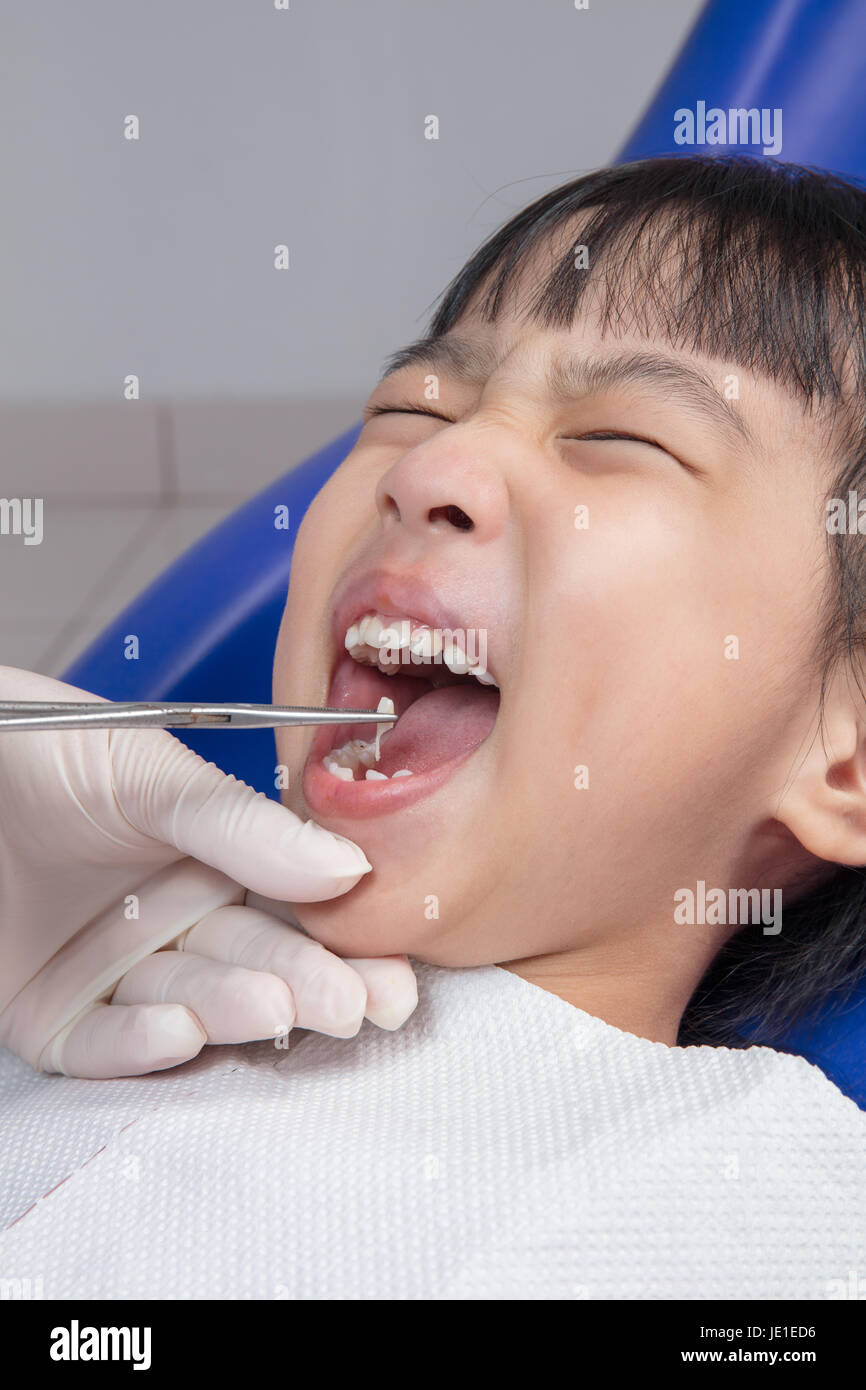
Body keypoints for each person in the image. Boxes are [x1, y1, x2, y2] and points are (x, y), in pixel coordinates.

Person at [2, 154, 866, 1300]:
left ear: (844, 752)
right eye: (411, 406)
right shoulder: (68, 978)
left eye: (618, 435)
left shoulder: (756, 1192)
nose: (430, 468)